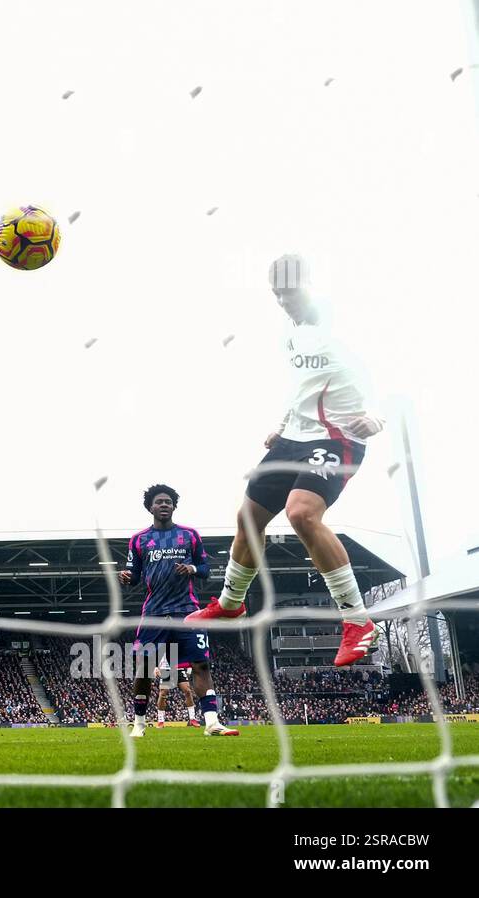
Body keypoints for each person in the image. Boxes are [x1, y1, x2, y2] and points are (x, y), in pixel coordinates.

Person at [187, 254, 384, 667]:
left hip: (338, 437)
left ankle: (358, 621)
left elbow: (388, 369)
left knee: (302, 514)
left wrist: (378, 415)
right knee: (247, 517)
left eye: (288, 292)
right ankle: (230, 603)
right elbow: (303, 386)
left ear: (309, 284)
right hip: (293, 437)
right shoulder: (290, 332)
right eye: (276, 294)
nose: (282, 301)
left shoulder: (346, 323)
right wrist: (282, 425)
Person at [120, 484, 237, 737]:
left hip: (187, 612)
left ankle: (211, 723)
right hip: (154, 613)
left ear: (174, 506)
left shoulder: (190, 535)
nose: (164, 505)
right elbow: (136, 576)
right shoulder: (139, 540)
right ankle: (139, 724)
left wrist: (192, 569)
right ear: (150, 507)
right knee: (143, 668)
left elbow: (205, 569)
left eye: (168, 502)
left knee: (201, 665)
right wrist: (127, 576)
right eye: (159, 502)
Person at [154, 653, 200, 728]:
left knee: (188, 691)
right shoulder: (162, 642)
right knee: (163, 693)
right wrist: (156, 667)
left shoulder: (181, 641)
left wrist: (189, 667)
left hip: (179, 668)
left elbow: (186, 650)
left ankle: (192, 719)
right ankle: (161, 721)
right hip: (165, 668)